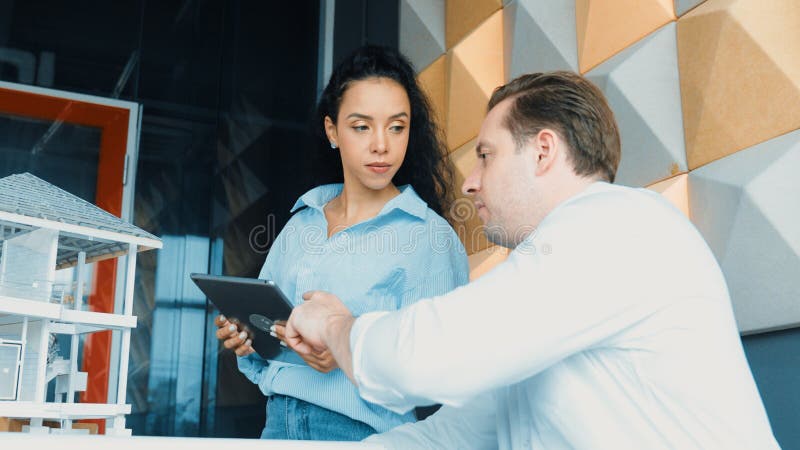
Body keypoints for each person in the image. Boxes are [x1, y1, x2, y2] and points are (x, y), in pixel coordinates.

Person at [283, 71, 780, 449]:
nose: (470, 182)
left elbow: (428, 355)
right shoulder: (555, 296)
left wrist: (336, 326)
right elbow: (451, 435)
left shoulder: (616, 226)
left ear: (543, 151)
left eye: (486, 155)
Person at [214, 45, 468, 441]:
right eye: (362, 126)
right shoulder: (302, 221)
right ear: (333, 131)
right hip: (277, 425)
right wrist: (248, 339)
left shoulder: (430, 237)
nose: (381, 144)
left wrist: (349, 349)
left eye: (397, 127)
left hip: (361, 436)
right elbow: (275, 335)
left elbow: (438, 373)